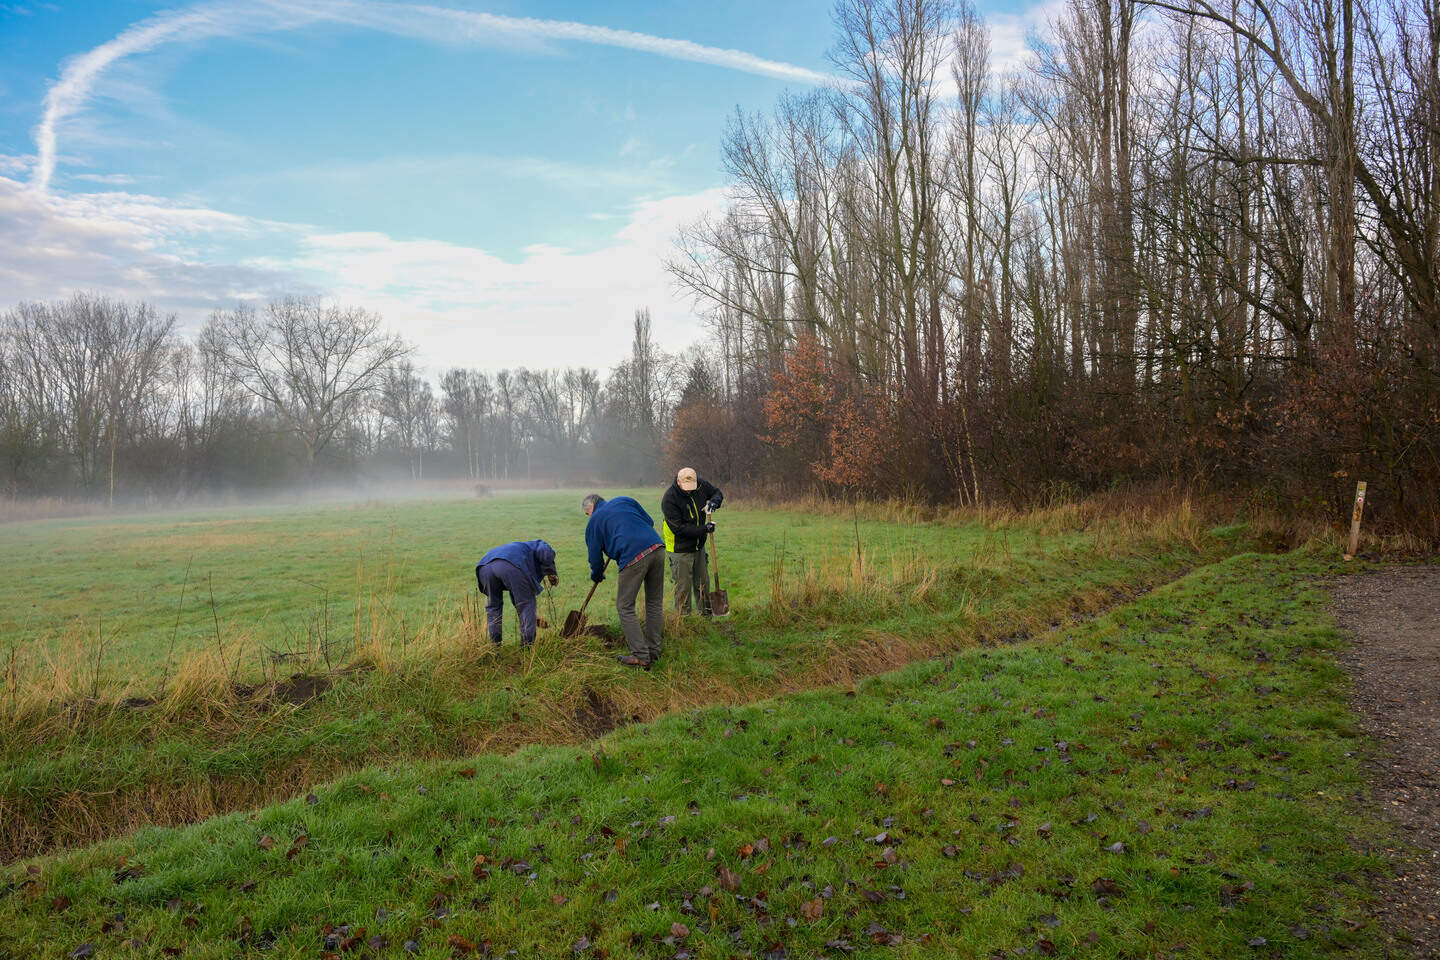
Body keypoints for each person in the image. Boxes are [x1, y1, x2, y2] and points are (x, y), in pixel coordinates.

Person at [582, 493, 664, 668]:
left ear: (590, 509)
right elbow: (648, 521)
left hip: (633, 556)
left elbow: (595, 557)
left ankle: (641, 656)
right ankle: (654, 651)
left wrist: (597, 575)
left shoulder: (594, 522)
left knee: (624, 606)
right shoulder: (625, 500)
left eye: (586, 514)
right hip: (657, 548)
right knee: (654, 602)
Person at [660, 467, 724, 615]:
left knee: (703, 584)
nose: (689, 491)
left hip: (699, 547)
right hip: (680, 549)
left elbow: (717, 492)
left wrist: (714, 502)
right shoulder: (669, 499)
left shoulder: (700, 485)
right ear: (678, 481)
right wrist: (705, 529)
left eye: (692, 487)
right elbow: (679, 529)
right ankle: (684, 623)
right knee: (683, 589)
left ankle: (706, 618)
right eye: (686, 488)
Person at [474, 539, 558, 648]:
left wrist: (534, 616)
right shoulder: (540, 544)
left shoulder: (522, 548)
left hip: (484, 567)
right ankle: (527, 647)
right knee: (526, 603)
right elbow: (545, 551)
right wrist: (551, 571)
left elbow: (517, 594)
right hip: (510, 564)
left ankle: (495, 646)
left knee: (494, 607)